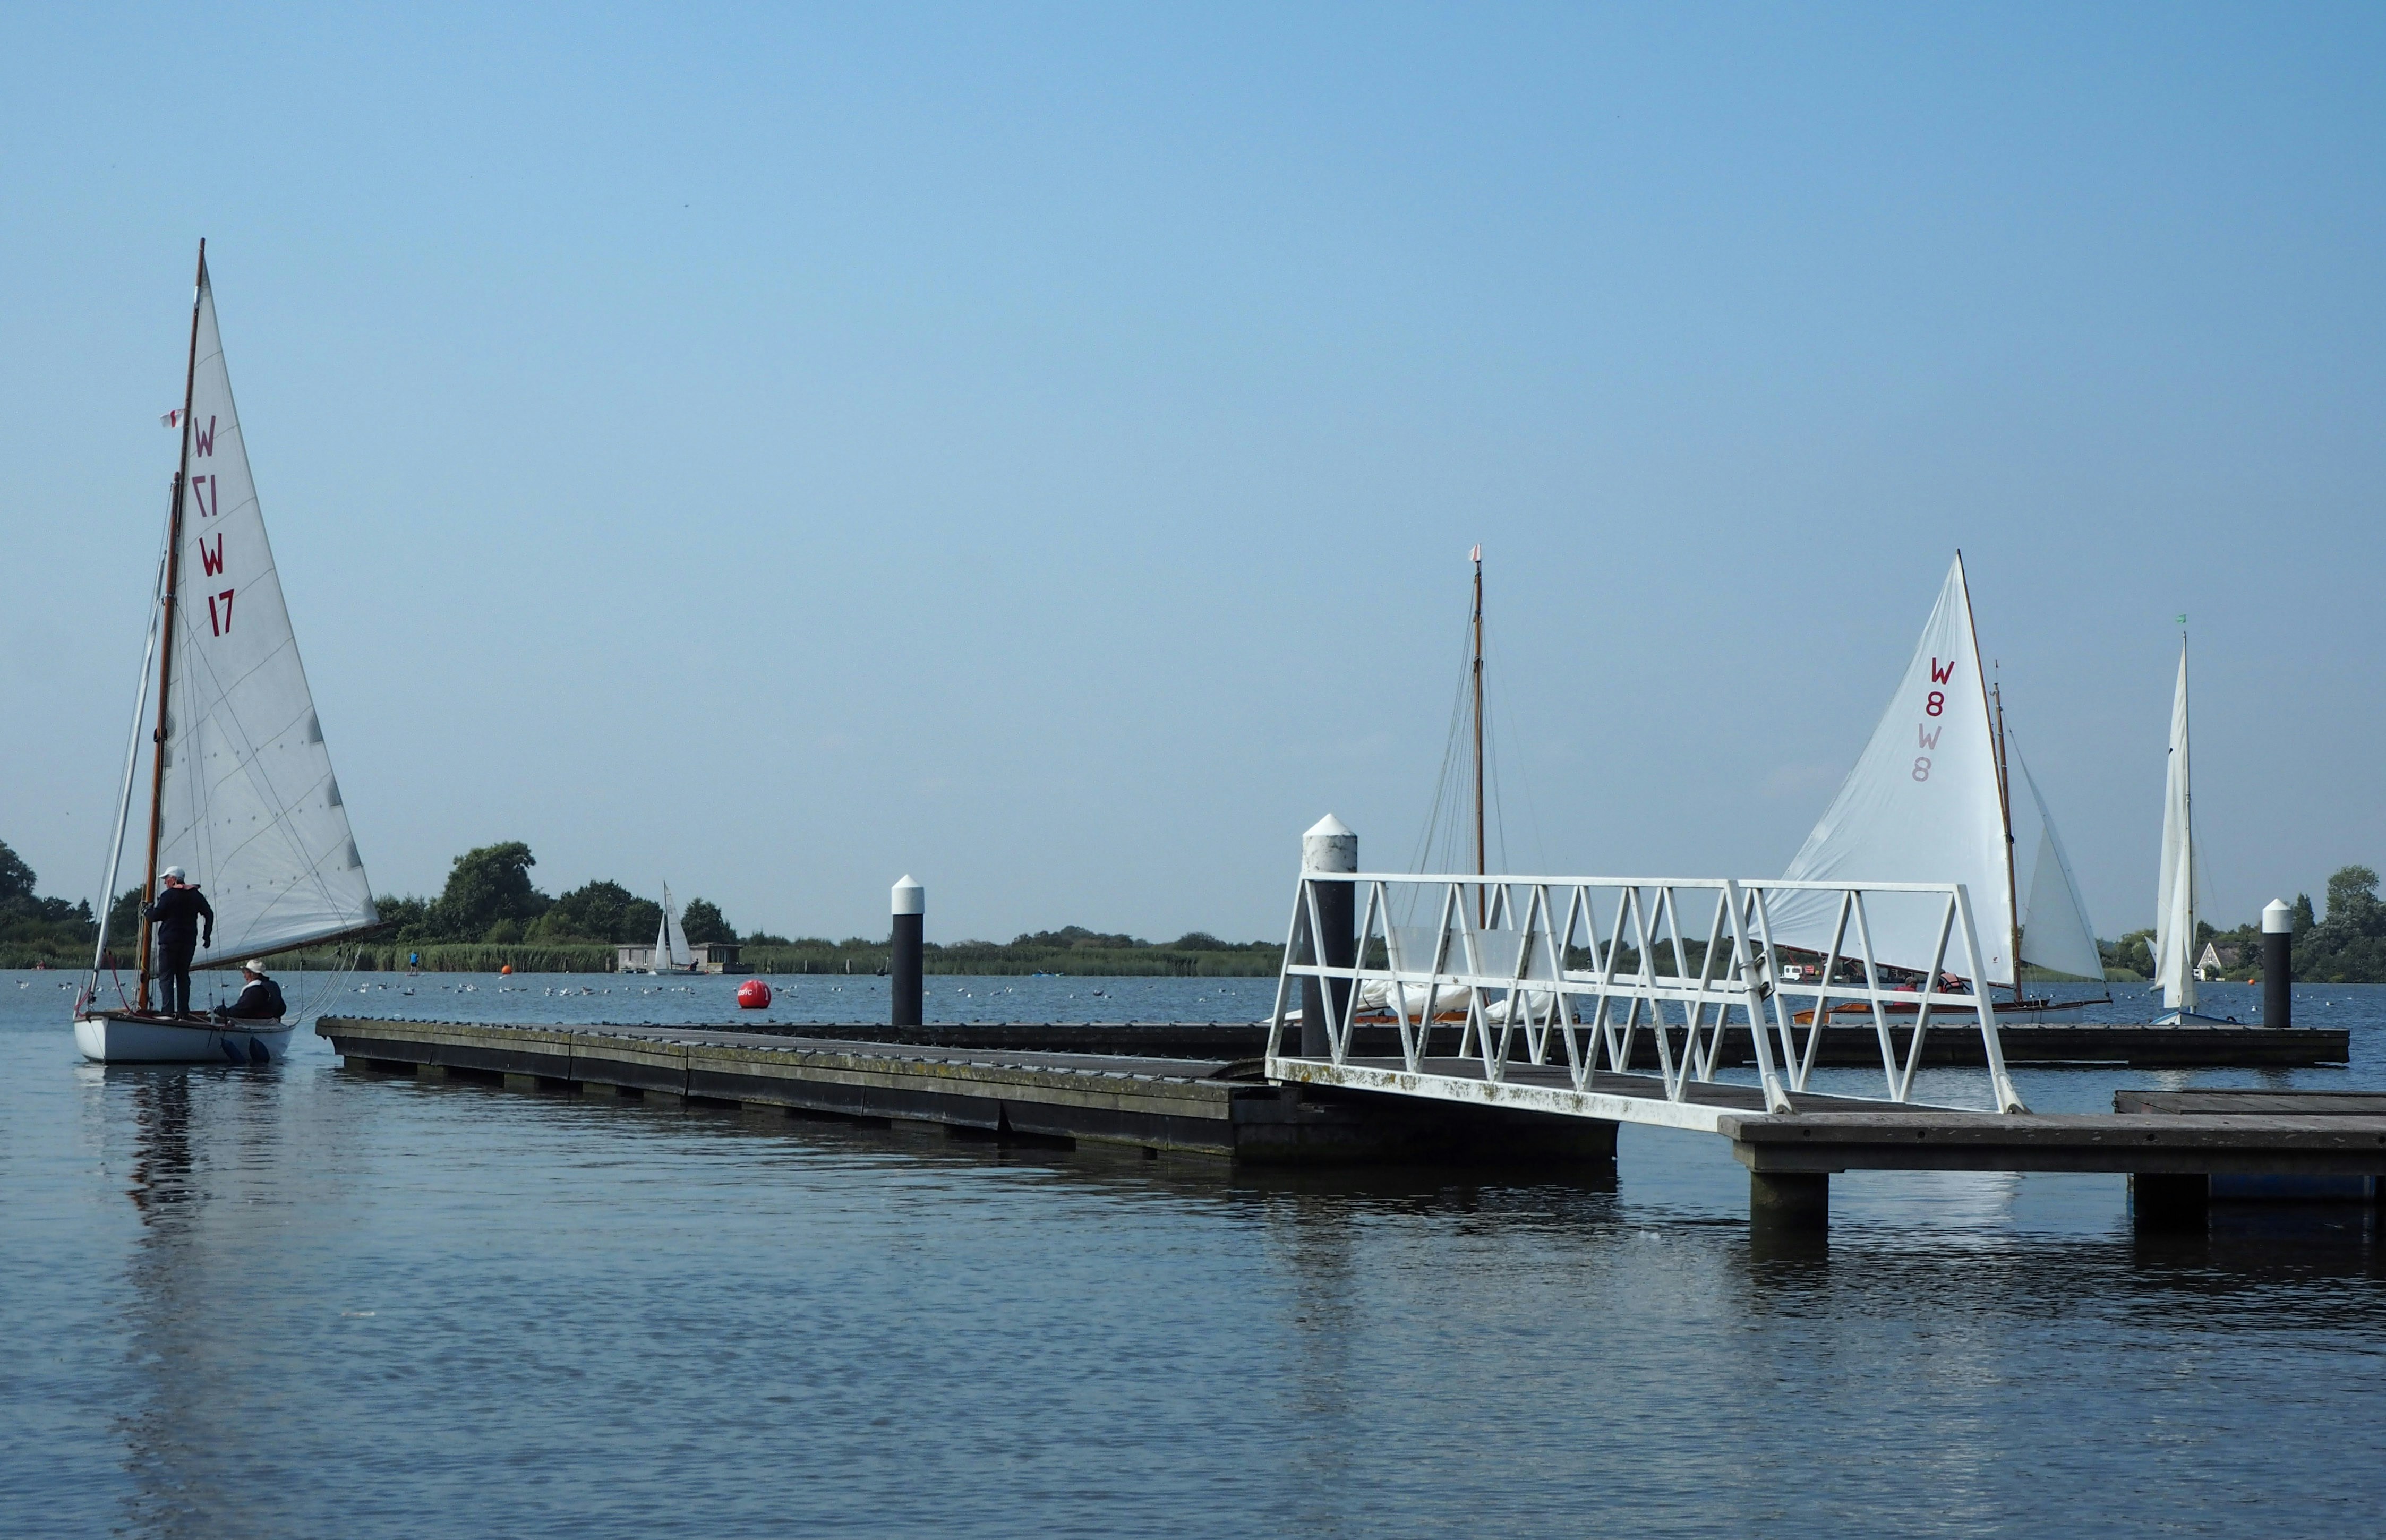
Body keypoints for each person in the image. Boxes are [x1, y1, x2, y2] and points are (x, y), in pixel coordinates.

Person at [143, 867, 213, 1017]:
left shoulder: (168, 896)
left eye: (166, 880)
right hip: (188, 943)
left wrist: (146, 912)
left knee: (166, 977)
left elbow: (156, 916)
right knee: (182, 977)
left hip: (169, 943)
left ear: (174, 880)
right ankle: (183, 1012)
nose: (165, 883)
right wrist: (207, 935)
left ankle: (167, 1012)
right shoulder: (195, 895)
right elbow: (209, 913)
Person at [217, 960, 286, 1022]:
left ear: (253, 974)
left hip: (256, 1026)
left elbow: (236, 1013)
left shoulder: (255, 991)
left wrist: (218, 1010)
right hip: (272, 1024)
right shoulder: (273, 985)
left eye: (246, 973)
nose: (244, 976)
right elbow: (283, 1009)